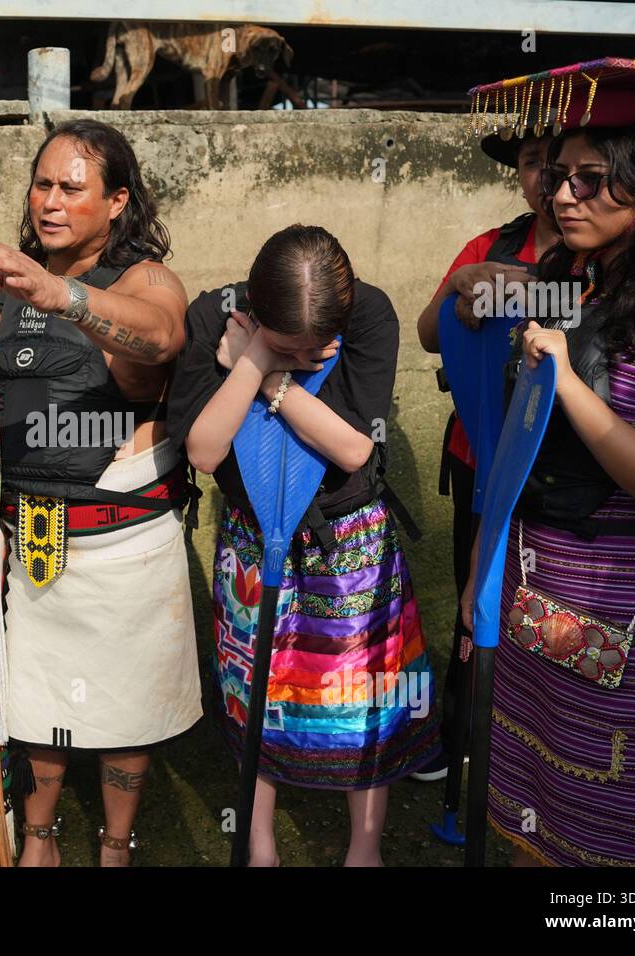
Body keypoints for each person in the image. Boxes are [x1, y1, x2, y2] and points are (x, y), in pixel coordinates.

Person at [460, 59, 635, 866]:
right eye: (558, 177)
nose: (561, 196)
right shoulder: (572, 285)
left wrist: (566, 382)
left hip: (631, 625)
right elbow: (466, 320)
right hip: (532, 599)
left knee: (624, 842)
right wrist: (482, 574)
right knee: (528, 816)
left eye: (591, 180)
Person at [0, 119, 201, 866]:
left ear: (118, 200)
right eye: (42, 184)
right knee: (36, 703)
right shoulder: (10, 293)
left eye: (72, 188)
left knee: (125, 706)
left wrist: (65, 296)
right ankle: (37, 838)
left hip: (122, 542)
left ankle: (116, 845)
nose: (50, 202)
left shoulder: (144, 279)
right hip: (27, 534)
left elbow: (161, 340)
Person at [169, 224, 440, 866]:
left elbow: (352, 447)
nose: (308, 352)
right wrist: (256, 356)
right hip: (253, 536)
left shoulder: (370, 313)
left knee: (362, 688)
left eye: (317, 345)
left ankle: (364, 847)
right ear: (257, 311)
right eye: (289, 342)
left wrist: (267, 380)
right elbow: (204, 451)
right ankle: (258, 841)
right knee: (251, 684)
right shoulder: (212, 315)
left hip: (347, 538)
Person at [411, 131, 558, 783]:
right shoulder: (487, 246)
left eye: (563, 165)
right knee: (475, 606)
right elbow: (427, 332)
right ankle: (456, 737)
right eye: (532, 164)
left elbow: (588, 310)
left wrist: (514, 288)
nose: (547, 178)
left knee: (548, 621)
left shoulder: (604, 253)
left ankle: (536, 748)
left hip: (560, 475)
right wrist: (469, 281)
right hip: (479, 459)